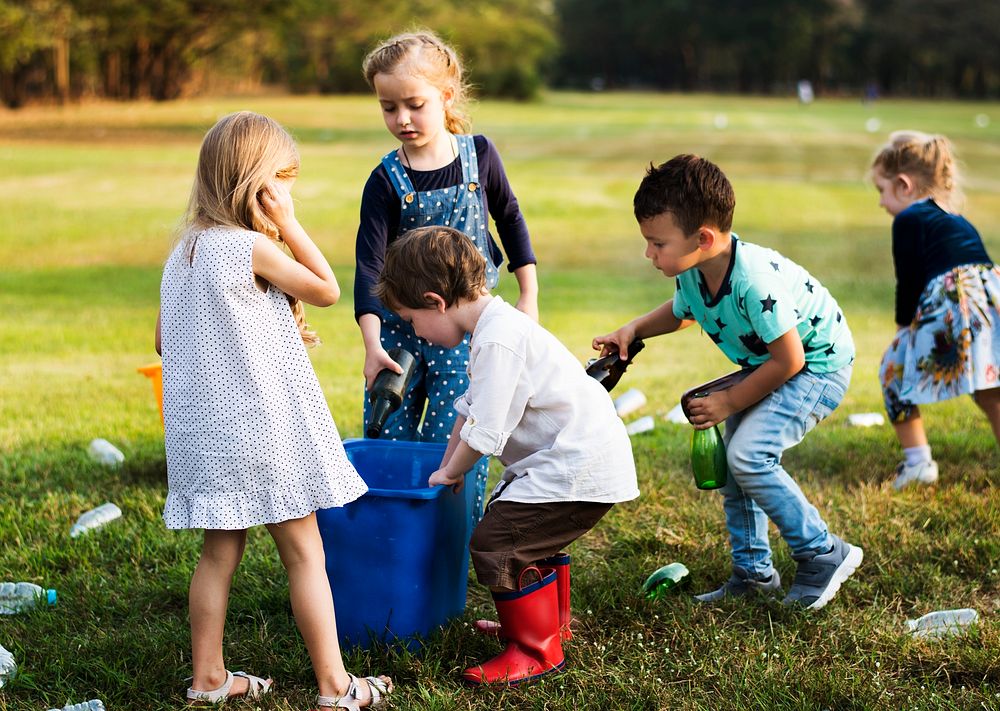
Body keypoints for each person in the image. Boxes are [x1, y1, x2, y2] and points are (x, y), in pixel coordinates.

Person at [156, 111, 392, 709]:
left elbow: (163, 338)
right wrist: (289, 222)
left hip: (205, 438)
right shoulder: (249, 246)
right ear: (257, 184)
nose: (289, 192)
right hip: (265, 433)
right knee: (305, 554)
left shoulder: (181, 254)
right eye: (283, 181)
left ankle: (207, 678)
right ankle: (337, 688)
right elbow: (328, 289)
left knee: (218, 554)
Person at [594, 155, 862, 610]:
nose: (649, 254)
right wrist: (633, 330)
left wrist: (728, 402)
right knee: (738, 462)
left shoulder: (753, 281)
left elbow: (790, 358)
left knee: (748, 455)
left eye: (657, 243)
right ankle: (754, 573)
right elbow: (683, 311)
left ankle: (822, 552)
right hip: (772, 363)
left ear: (703, 238)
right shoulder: (698, 270)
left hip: (817, 366)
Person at [373, 226, 639, 685]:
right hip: (574, 462)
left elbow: (486, 432)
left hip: (578, 466)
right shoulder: (493, 329)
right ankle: (542, 627)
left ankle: (535, 650)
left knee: (498, 543)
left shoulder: (498, 340)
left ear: (436, 301)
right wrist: (444, 466)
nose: (415, 332)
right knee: (529, 537)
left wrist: (452, 471)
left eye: (412, 319)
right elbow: (469, 410)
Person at [355, 30, 539, 523]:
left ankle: (449, 541)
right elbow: (368, 266)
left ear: (446, 96)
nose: (401, 119)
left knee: (451, 443)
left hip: (467, 339)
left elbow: (511, 218)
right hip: (399, 336)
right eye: (388, 107)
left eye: (414, 104)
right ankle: (392, 532)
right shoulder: (386, 179)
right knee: (388, 435)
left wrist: (529, 296)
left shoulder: (479, 156)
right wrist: (374, 345)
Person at [871, 130, 1000, 489]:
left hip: (955, 301)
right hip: (988, 301)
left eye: (882, 190)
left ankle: (918, 463)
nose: (881, 202)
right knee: (991, 387)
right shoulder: (956, 218)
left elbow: (909, 282)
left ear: (904, 185)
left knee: (892, 371)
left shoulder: (908, 219)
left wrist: (902, 329)